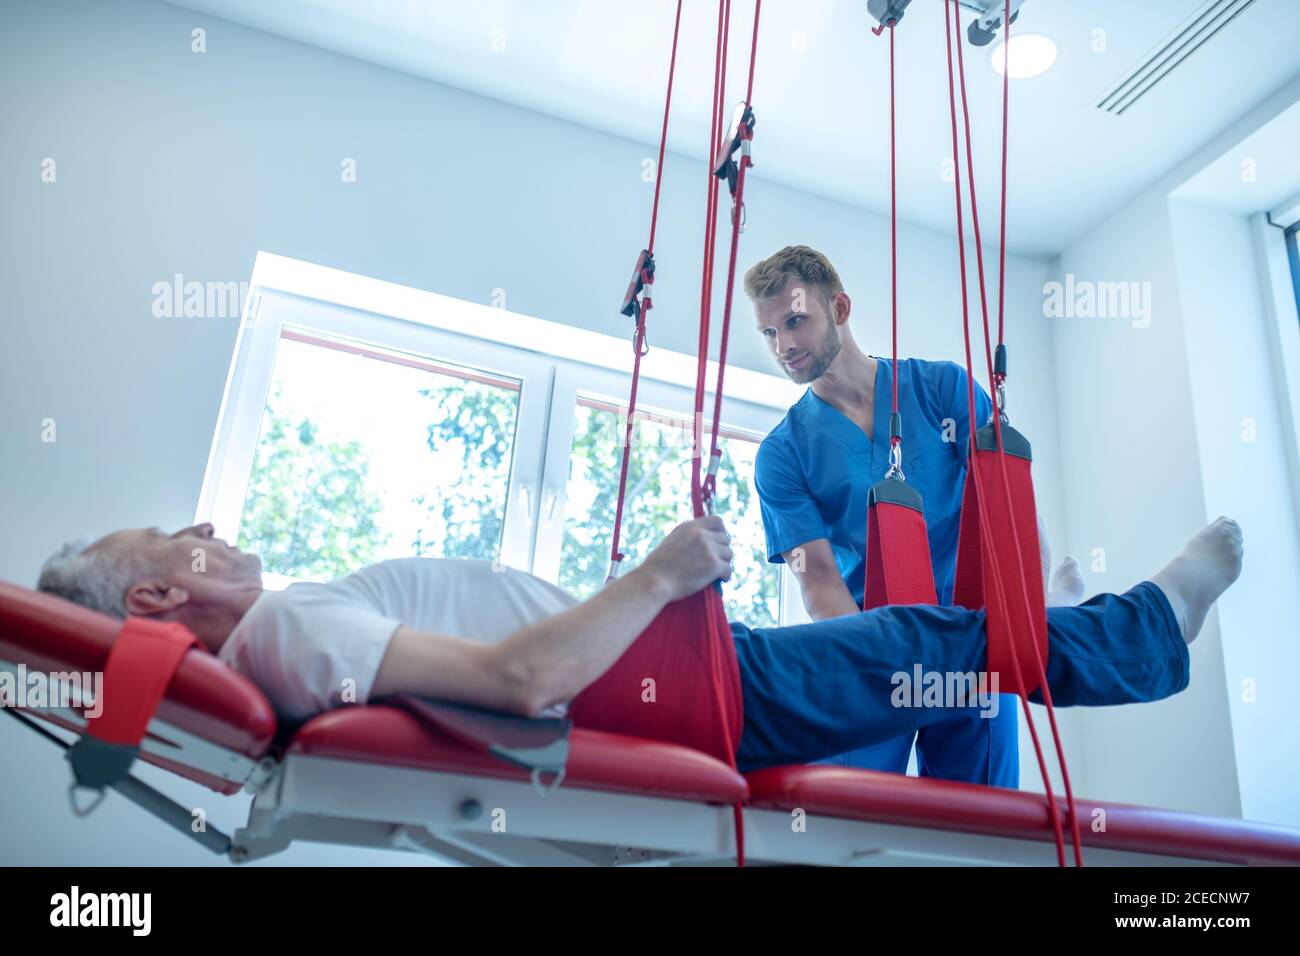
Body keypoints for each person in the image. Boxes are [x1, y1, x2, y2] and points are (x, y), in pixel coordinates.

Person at [35, 513, 1242, 772]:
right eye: (171, 536)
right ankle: (1148, 624)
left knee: (942, 656)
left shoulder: (281, 638)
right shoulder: (286, 622)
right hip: (714, 690)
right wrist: (659, 571)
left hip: (703, 674)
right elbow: (523, 676)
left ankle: (1072, 626)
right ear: (152, 602)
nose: (202, 527)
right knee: (939, 641)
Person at [745, 244, 1083, 785]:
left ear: (840, 308)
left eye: (795, 321)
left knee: (982, 829)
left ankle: (1052, 614)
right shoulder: (783, 453)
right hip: (873, 653)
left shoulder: (942, 389)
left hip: (974, 644)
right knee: (843, 820)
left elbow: (1011, 510)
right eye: (769, 333)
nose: (783, 345)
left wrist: (1024, 614)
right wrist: (880, 658)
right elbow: (821, 586)